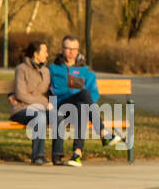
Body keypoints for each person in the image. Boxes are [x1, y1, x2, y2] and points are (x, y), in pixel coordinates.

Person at [48, 35, 118, 167]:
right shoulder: (53, 68)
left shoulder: (86, 70)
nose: (71, 52)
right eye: (68, 49)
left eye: (74, 49)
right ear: (62, 49)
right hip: (61, 106)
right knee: (84, 95)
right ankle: (103, 132)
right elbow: (45, 88)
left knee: (83, 105)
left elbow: (94, 94)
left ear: (78, 50)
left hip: (80, 107)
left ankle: (77, 154)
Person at [7, 40, 53, 165]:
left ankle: (58, 156)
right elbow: (20, 94)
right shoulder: (21, 69)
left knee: (57, 116)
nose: (47, 55)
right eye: (45, 52)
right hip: (21, 109)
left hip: (40, 110)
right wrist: (43, 103)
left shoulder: (46, 71)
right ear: (36, 54)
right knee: (40, 116)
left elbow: (49, 93)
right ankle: (38, 156)